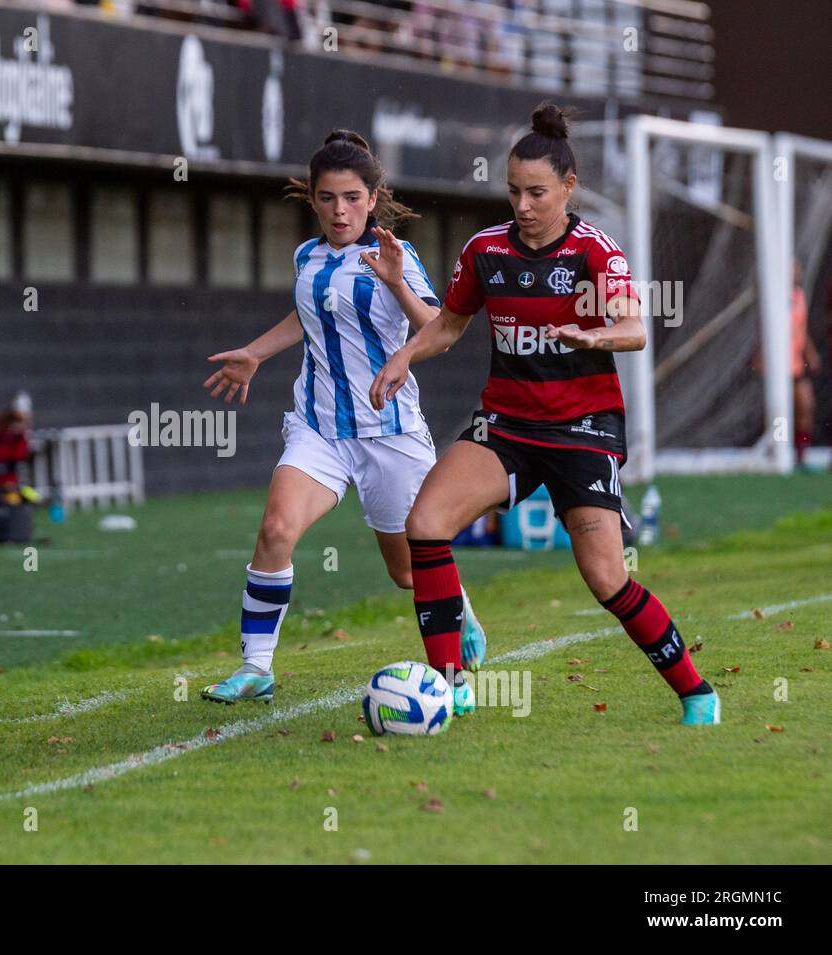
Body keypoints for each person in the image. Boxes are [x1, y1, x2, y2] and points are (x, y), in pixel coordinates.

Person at [369, 102, 720, 725]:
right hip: (506, 426)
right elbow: (449, 325)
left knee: (607, 578)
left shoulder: (595, 251)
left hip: (584, 431)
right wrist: (403, 358)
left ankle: (696, 692)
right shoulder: (485, 251)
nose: (523, 206)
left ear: (568, 187)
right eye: (512, 192)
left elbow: (635, 328)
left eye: (536, 192)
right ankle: (451, 684)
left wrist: (597, 338)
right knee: (424, 523)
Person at [200, 129, 487, 707]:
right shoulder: (307, 256)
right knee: (276, 530)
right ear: (313, 199)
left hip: (391, 433)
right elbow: (309, 317)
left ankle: (462, 616)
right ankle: (256, 668)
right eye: (328, 198)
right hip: (319, 427)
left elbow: (439, 326)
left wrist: (395, 281)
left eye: (352, 198)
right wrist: (255, 353)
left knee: (408, 573)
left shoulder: (395, 255)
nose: (340, 210)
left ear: (373, 197)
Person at [790, 262, 820, 470]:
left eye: (798, 267)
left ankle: (801, 454)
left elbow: (801, 329)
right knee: (781, 414)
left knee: (806, 405)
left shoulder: (799, 295)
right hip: (779, 363)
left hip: (796, 362)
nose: (797, 271)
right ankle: (779, 450)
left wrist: (810, 353)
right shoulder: (774, 297)